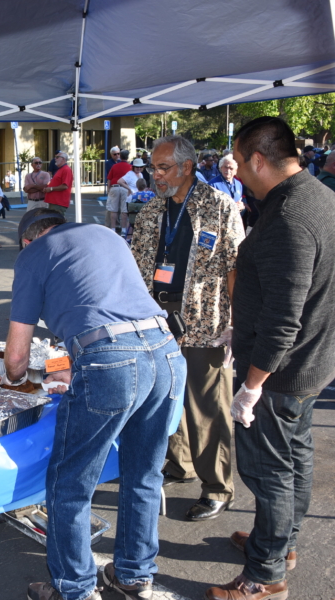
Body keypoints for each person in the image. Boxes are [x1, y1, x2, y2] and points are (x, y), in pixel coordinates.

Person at [12, 210, 185, 600]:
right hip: (166, 352)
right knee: (143, 474)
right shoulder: (105, 235)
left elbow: (16, 360)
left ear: (27, 241)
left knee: (70, 484)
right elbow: (109, 314)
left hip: (112, 362)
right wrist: (67, 366)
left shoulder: (33, 254)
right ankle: (134, 576)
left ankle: (74, 588)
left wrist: (19, 379)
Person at [206, 117, 335, 600]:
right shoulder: (317, 196)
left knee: (270, 472)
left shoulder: (289, 218)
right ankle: (279, 544)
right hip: (310, 360)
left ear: (259, 160)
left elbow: (284, 318)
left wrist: (252, 386)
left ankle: (265, 574)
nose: (236, 172)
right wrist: (240, 324)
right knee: (294, 458)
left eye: (240, 163)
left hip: (282, 372)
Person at [131, 135, 244, 522]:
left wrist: (236, 324)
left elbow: (236, 268)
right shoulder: (152, 209)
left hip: (204, 320)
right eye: (153, 168)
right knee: (166, 395)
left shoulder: (219, 207)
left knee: (207, 405)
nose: (156, 175)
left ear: (187, 167)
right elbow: (136, 262)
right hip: (157, 317)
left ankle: (217, 488)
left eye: (163, 168)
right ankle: (180, 464)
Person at [105, 151, 133, 234]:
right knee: (124, 210)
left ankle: (113, 228)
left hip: (114, 187)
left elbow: (109, 179)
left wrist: (108, 189)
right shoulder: (130, 167)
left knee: (114, 210)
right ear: (127, 157)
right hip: (125, 188)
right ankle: (123, 229)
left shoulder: (114, 166)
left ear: (120, 156)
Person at [44, 151, 73, 217]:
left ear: (63, 159)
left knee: (56, 220)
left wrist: (51, 188)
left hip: (59, 203)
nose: (55, 159)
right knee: (53, 220)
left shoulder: (66, 169)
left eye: (57, 157)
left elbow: (65, 186)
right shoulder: (60, 169)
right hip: (55, 202)